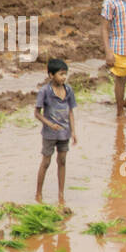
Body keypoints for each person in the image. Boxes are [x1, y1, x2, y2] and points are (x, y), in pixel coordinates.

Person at [34, 58, 78, 209]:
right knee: (46, 162)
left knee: (62, 161)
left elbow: (70, 112)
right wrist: (49, 124)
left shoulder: (69, 90)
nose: (64, 77)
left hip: (64, 133)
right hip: (49, 134)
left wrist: (73, 132)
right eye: (61, 74)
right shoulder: (44, 91)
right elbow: (37, 113)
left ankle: (61, 194)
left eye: (65, 74)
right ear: (51, 75)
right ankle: (38, 194)